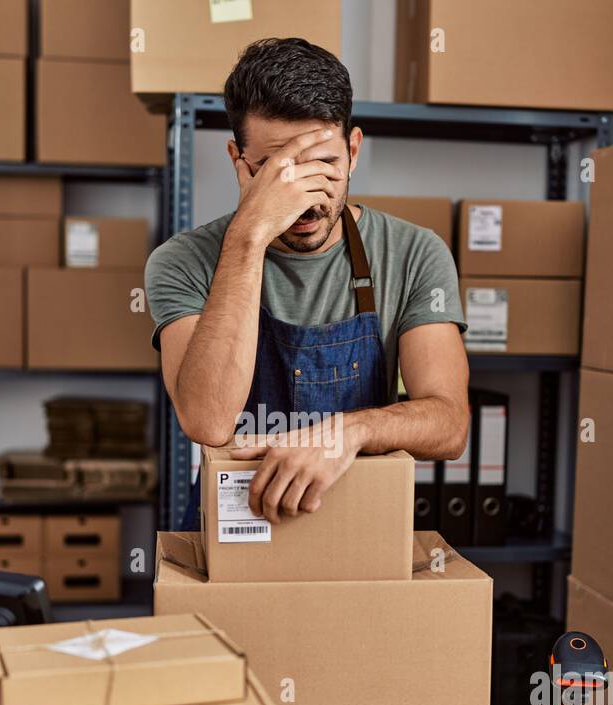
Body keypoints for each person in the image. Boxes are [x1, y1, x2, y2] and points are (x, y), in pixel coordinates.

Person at [145, 37, 469, 530]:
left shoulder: (414, 253)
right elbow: (208, 421)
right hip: (234, 526)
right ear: (238, 160)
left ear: (353, 151)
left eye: (325, 166)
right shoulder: (183, 260)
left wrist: (344, 433)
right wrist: (249, 237)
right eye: (278, 171)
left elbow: (450, 424)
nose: (306, 198)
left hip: (354, 523)